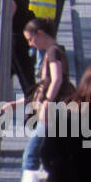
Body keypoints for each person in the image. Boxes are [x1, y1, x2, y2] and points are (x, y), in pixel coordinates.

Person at [17, 17, 71, 173]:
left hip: (52, 111)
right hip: (57, 110)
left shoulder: (53, 52)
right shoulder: (55, 50)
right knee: (48, 155)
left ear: (40, 33)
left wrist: (47, 102)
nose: (30, 44)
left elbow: (57, 79)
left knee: (31, 156)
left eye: (31, 39)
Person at [9, 0, 36, 100]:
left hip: (16, 48)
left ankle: (32, 111)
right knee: (28, 81)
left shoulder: (13, 17)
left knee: (27, 84)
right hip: (21, 49)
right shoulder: (30, 15)